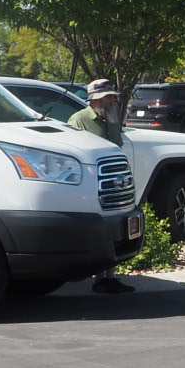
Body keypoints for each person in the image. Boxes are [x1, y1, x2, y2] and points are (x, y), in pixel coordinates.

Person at [67, 79, 135, 294]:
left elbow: (117, 146)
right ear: (96, 100)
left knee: (116, 229)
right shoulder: (79, 119)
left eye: (114, 96)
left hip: (113, 181)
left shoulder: (112, 118)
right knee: (100, 229)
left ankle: (110, 277)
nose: (113, 100)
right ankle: (98, 279)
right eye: (109, 97)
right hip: (91, 182)